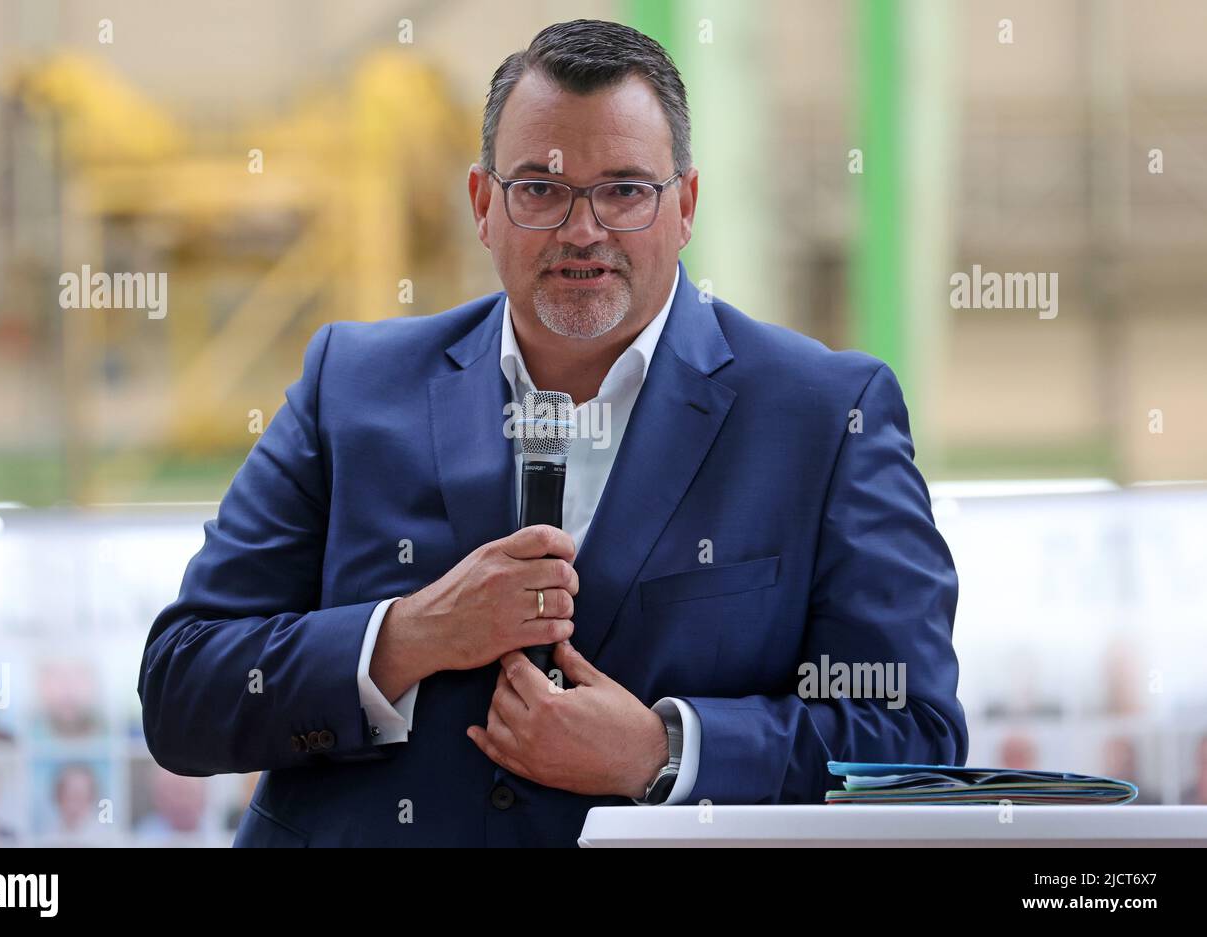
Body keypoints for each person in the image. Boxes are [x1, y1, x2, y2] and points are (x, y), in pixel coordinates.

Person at [139, 18, 967, 847]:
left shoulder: (822, 417)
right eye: (540, 187)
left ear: (684, 206)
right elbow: (183, 689)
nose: (582, 229)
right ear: (482, 205)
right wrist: (409, 635)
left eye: (625, 189)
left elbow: (914, 736)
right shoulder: (350, 385)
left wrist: (661, 750)